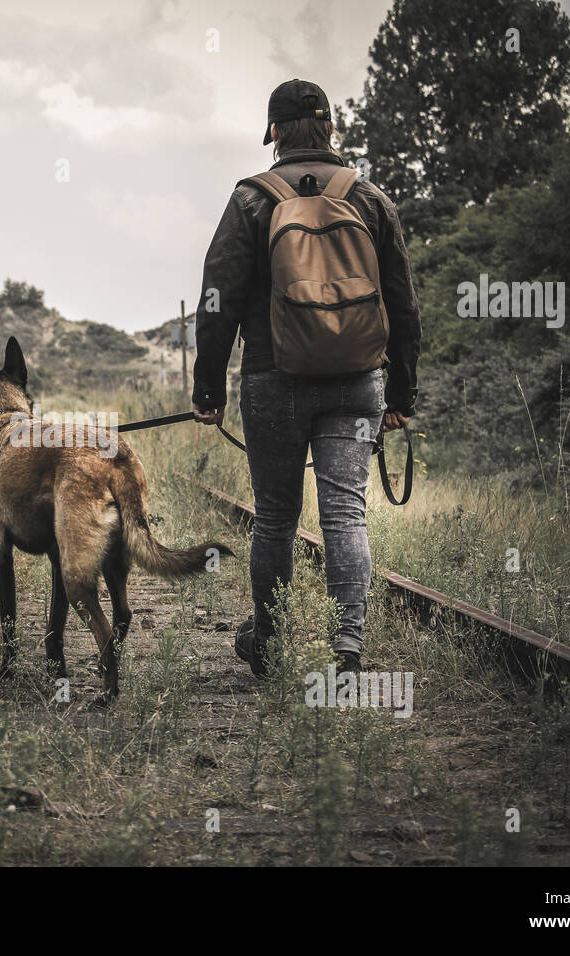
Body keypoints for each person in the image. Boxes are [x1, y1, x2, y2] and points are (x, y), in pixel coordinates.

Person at [190, 78, 421, 677]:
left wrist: (208, 390)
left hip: (273, 379)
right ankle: (347, 646)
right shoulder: (369, 199)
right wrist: (401, 396)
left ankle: (269, 639)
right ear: (331, 129)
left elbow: (216, 299)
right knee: (345, 512)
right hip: (358, 379)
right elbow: (403, 304)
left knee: (275, 515)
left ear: (273, 132)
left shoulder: (250, 201)